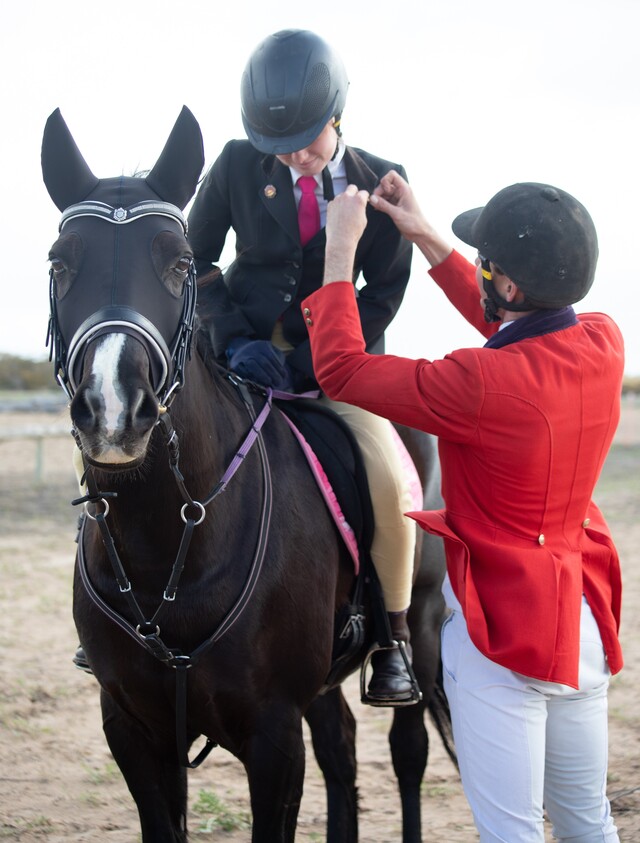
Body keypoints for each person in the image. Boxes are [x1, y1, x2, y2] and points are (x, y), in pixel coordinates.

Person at [301, 174, 624, 842]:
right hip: (582, 621)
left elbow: (341, 369)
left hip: (499, 638)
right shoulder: (602, 341)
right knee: (586, 820)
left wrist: (339, 254)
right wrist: (425, 235)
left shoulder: (477, 384)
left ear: (507, 285)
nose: (477, 268)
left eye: (487, 262)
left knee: (511, 833)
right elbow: (514, 326)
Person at [187, 29, 419, 705]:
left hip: (336, 367)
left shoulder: (382, 181)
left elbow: (384, 293)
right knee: (148, 429)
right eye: (278, 146)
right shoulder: (233, 166)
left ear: (337, 114)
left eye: (306, 141)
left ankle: (392, 637)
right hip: (237, 355)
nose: (292, 155)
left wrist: (322, 358)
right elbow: (196, 259)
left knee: (388, 471)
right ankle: (115, 612)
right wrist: (230, 340)